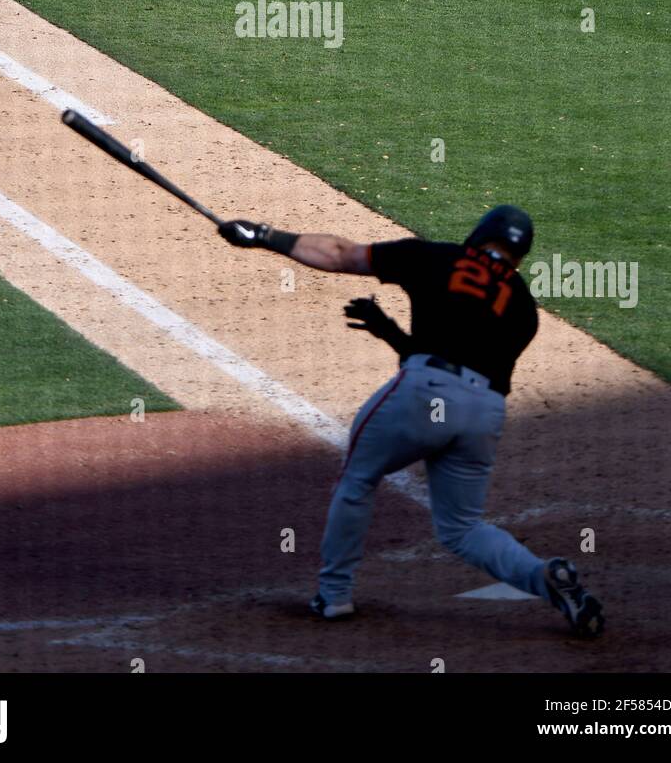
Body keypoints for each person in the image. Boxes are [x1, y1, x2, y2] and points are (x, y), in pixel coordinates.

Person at [218, 204, 605, 638]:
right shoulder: (523, 307)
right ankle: (546, 578)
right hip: (483, 413)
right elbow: (463, 352)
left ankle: (334, 594)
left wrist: (265, 236)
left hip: (425, 393)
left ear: (479, 234)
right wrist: (394, 336)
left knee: (359, 477)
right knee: (462, 527)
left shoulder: (435, 257)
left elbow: (340, 253)